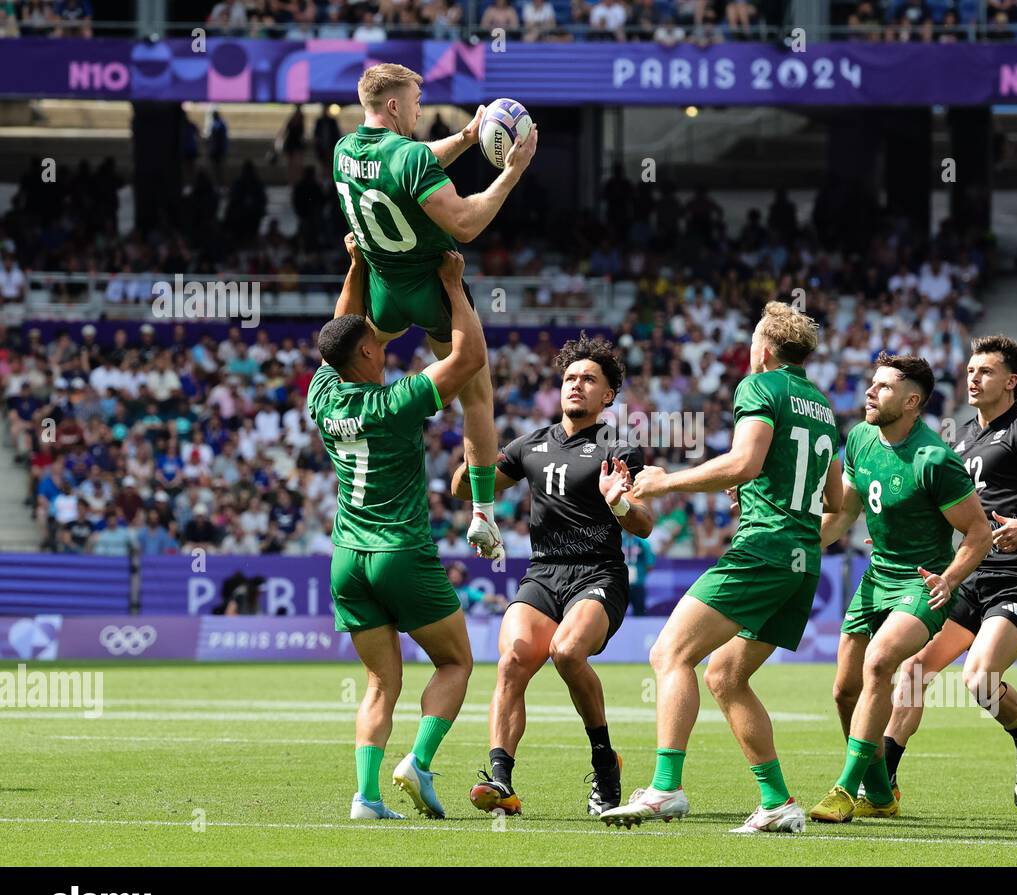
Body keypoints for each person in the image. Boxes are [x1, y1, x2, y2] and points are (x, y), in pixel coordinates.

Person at [600, 302, 843, 835]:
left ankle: (665, 789)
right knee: (726, 676)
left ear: (764, 348)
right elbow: (839, 500)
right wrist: (775, 507)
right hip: (801, 560)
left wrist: (663, 483)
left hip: (764, 549)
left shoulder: (759, 387)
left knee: (669, 653)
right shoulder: (822, 405)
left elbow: (744, 463)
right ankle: (777, 802)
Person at [309, 237, 486, 820]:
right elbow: (467, 361)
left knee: (380, 684)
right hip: (400, 553)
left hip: (346, 558)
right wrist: (455, 285)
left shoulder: (323, 393)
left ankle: (365, 798)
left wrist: (358, 266)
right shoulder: (395, 404)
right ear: (365, 353)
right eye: (375, 342)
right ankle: (420, 761)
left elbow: (342, 329)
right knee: (455, 661)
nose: (382, 344)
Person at [333, 63, 539, 561]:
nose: (421, 110)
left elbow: (409, 160)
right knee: (477, 396)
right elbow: (466, 223)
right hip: (436, 286)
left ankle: (356, 472)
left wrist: (468, 138)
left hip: (382, 289)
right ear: (395, 107)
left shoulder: (343, 152)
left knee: (349, 381)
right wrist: (511, 173)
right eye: (417, 102)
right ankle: (484, 516)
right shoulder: (411, 159)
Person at [451, 334, 655, 817]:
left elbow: (643, 524)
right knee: (512, 661)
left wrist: (618, 500)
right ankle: (501, 782)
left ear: (608, 395)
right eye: (569, 378)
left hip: (598, 574)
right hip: (543, 574)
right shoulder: (531, 445)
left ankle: (605, 763)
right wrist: (473, 452)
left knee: (566, 652)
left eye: (588, 379)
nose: (576, 386)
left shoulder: (619, 448)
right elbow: (468, 488)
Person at [877, 337, 1017, 812]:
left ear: (1010, 382)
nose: (972, 377)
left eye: (985, 371)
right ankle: (881, 783)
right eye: (970, 369)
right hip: (966, 575)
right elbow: (945, 505)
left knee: (979, 680)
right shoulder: (962, 437)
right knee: (912, 669)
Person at [809, 354, 991, 824]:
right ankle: (880, 792)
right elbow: (845, 513)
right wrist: (798, 537)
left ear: (912, 401)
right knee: (843, 692)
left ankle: (844, 790)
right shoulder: (862, 439)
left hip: (922, 583)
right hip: (875, 577)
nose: (869, 392)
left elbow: (979, 532)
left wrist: (950, 578)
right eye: (871, 384)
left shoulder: (935, 459)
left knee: (880, 661)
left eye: (883, 387)